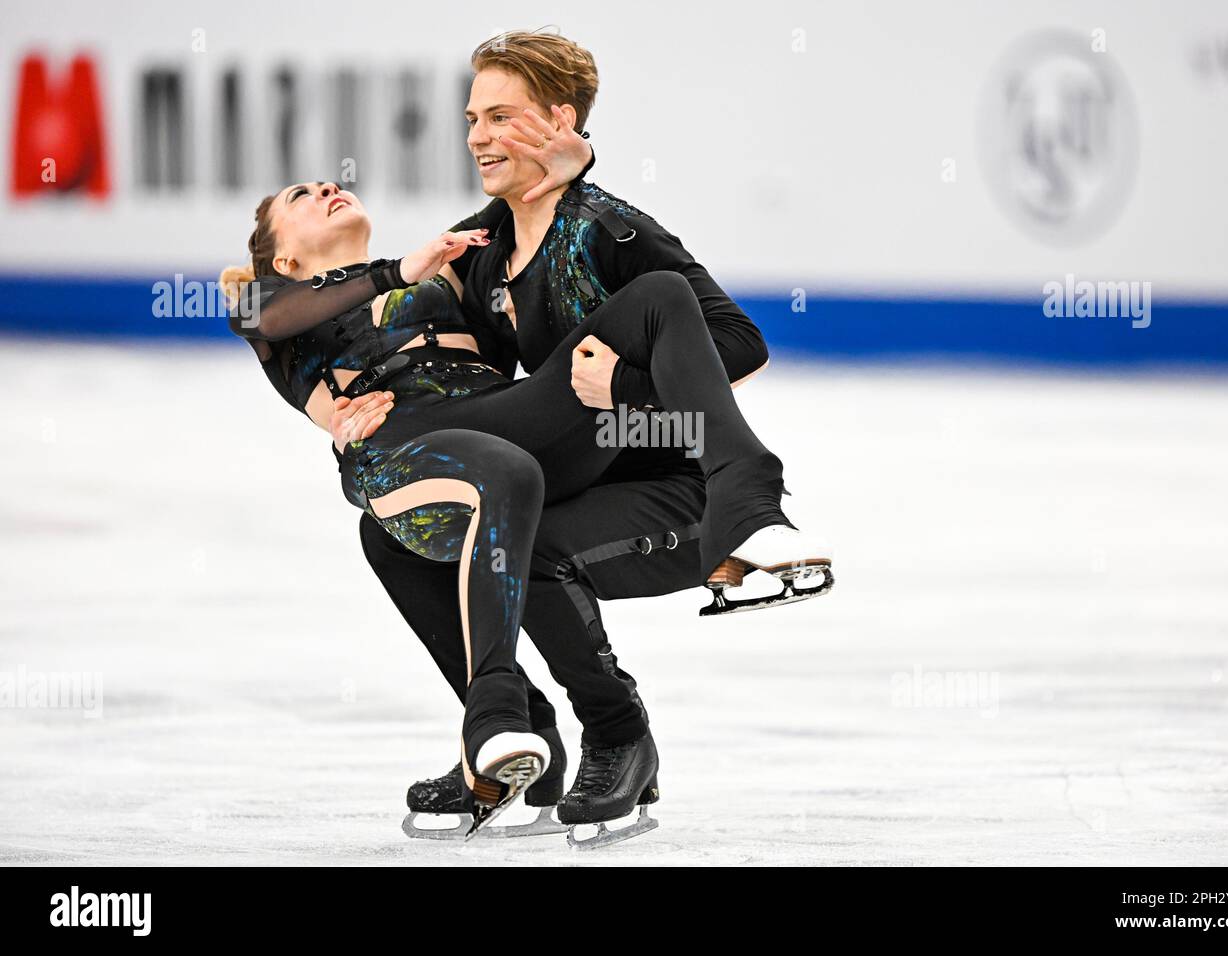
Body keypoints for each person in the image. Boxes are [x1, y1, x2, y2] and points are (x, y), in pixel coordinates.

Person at [336, 30, 833, 848]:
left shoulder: (609, 228)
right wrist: (342, 400)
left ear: (559, 120)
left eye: (501, 117)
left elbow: (741, 343)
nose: (477, 138)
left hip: (673, 493)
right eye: (472, 118)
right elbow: (396, 339)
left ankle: (619, 737)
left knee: (523, 542)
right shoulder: (482, 246)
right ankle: (518, 748)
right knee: (391, 532)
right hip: (574, 473)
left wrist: (627, 389)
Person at [223, 183, 828, 843]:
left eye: (330, 183)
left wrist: (564, 166)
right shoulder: (274, 309)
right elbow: (265, 313)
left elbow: (517, 204)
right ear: (281, 260)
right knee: (389, 538)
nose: (328, 190)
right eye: (303, 197)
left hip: (508, 418)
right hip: (411, 448)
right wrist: (395, 275)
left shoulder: (445, 266)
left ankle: (741, 507)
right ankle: (513, 731)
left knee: (659, 295)